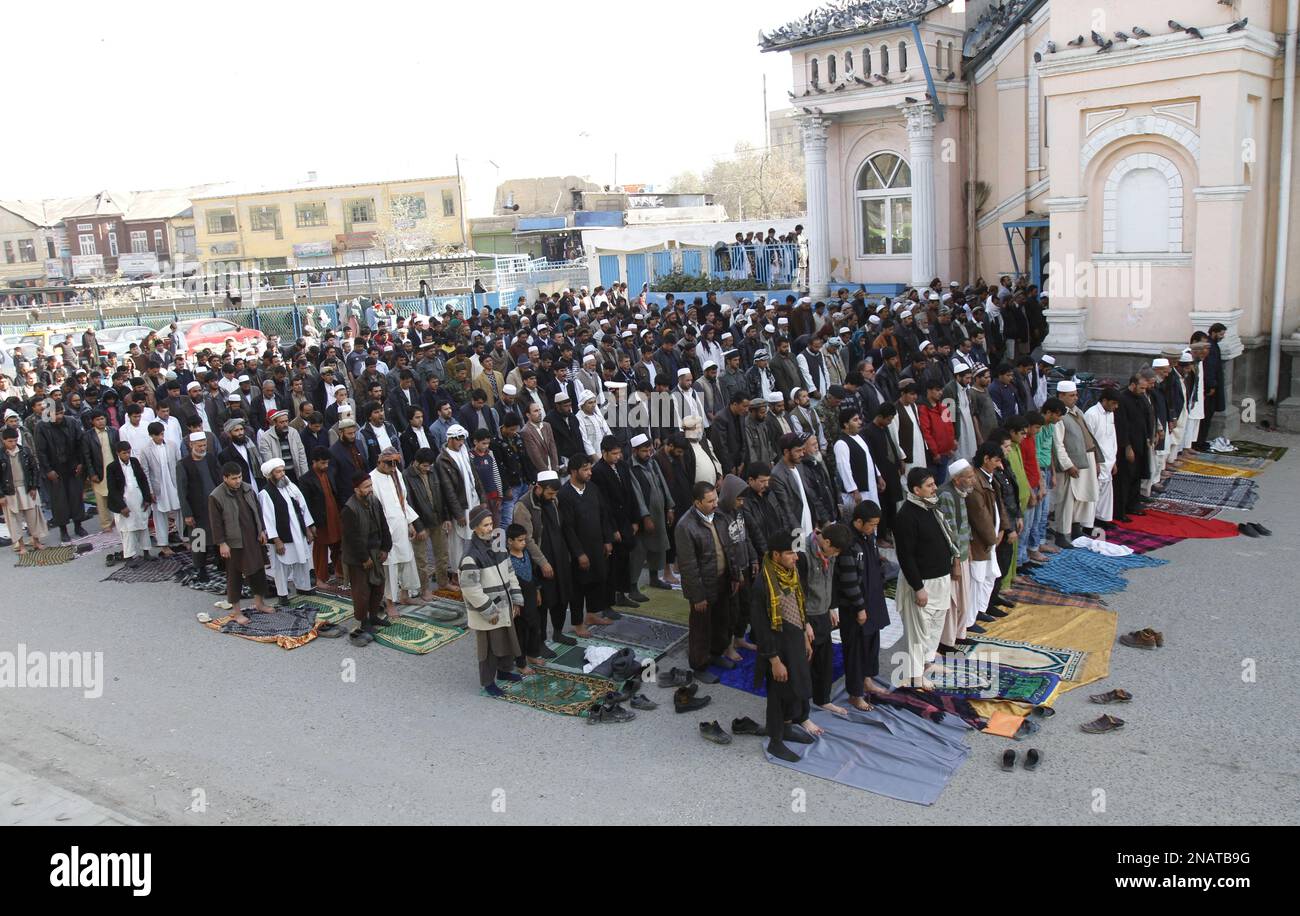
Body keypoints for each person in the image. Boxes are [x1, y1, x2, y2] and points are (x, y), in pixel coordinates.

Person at [750, 529, 815, 762]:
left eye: (795, 552)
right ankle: (776, 741)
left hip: (795, 638)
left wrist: (805, 634)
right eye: (789, 553)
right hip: (777, 646)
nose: (795, 558)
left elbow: (800, 602)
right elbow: (760, 627)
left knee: (794, 689)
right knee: (778, 693)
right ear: (775, 555)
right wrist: (774, 660)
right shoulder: (763, 584)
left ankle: (787, 726)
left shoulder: (792, 572)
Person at [893, 467, 959, 688]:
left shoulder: (930, 507)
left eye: (933, 484)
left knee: (934, 625)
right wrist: (918, 587)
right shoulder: (906, 516)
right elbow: (906, 556)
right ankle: (915, 674)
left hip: (940, 578)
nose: (934, 489)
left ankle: (928, 662)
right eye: (929, 486)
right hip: (922, 583)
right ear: (916, 490)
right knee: (918, 630)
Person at [675, 481, 743, 683]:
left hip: (723, 579)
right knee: (701, 628)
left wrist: (735, 575)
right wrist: (697, 596)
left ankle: (715, 654)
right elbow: (688, 566)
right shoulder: (685, 526)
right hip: (703, 585)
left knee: (722, 621)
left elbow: (730, 547)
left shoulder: (720, 516)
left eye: (716, 498)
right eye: (710, 501)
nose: (715, 503)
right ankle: (699, 664)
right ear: (697, 502)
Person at [461, 505, 524, 697]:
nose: (490, 528)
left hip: (504, 606)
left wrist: (516, 598)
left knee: (507, 640)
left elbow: (510, 571)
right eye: (485, 525)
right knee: (488, 650)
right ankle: (488, 682)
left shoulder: (497, 545)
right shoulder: (470, 556)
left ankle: (504, 672)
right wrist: (489, 610)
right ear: (475, 528)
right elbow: (471, 589)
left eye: (491, 524)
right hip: (489, 611)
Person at [511, 470, 573, 651]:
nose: (553, 497)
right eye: (550, 493)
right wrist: (543, 562)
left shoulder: (553, 499)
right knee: (543, 603)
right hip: (538, 560)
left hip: (559, 555)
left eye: (555, 494)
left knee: (562, 596)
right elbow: (526, 539)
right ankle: (540, 642)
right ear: (538, 488)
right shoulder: (523, 506)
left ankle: (558, 632)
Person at [208, 461, 276, 623]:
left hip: (253, 538)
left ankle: (259, 604)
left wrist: (261, 530)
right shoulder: (216, 496)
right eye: (233, 478)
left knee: (259, 572)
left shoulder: (247, 488)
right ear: (225, 478)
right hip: (233, 542)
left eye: (239, 477)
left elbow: (257, 511)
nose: (237, 481)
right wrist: (222, 543)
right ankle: (237, 612)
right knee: (235, 576)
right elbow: (215, 523)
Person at [558, 453, 614, 638]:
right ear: (574, 472)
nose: (590, 473)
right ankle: (577, 623)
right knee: (578, 587)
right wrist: (579, 553)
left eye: (590, 468)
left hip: (597, 545)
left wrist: (607, 540)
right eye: (585, 469)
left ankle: (591, 614)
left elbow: (604, 515)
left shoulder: (592, 489)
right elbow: (568, 528)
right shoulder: (565, 494)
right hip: (579, 549)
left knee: (596, 580)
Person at [340, 472, 392, 645]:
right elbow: (352, 538)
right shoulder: (349, 509)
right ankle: (364, 621)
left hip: (375, 551)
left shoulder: (374, 501)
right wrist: (364, 558)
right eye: (366, 487)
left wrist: (385, 547)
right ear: (357, 490)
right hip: (358, 557)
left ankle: (374, 616)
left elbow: (383, 524)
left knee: (378, 585)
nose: (370, 489)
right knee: (362, 591)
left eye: (370, 485)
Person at [370, 445, 421, 614]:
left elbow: (403, 501)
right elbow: (377, 509)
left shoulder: (396, 474)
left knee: (407, 560)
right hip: (387, 529)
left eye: (395, 463)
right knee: (390, 566)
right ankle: (390, 602)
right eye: (389, 464)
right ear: (380, 462)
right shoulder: (373, 479)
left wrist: (410, 523)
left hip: (402, 524)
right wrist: (385, 533)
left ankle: (405, 595)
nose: (393, 467)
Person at [1048, 383, 1099, 547]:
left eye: (1076, 394)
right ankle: (1061, 534)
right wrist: (1067, 465)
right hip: (1070, 464)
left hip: (1084, 460)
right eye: (1071, 395)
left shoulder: (1078, 411)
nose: (1076, 398)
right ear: (1061, 396)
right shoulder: (1060, 416)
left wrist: (1096, 459)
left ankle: (1076, 529)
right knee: (1066, 500)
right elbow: (1058, 444)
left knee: (1081, 497)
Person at [258, 457, 316, 602]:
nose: (283, 474)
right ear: (270, 475)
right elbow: (268, 519)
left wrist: (308, 529)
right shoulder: (265, 494)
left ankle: (304, 587)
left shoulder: (291, 487)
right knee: (281, 566)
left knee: (302, 561)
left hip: (299, 531)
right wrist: (277, 540)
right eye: (278, 472)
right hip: (282, 536)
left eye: (283, 470)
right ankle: (282, 594)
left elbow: (303, 508)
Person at [36, 401, 89, 541]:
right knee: (59, 501)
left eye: (61, 413)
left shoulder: (71, 421)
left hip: (72, 466)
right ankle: (63, 530)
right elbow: (41, 451)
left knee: (75, 497)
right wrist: (48, 470)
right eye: (56, 413)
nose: (59, 416)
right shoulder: (42, 426)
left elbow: (80, 443)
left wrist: (80, 463)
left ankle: (78, 525)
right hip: (55, 469)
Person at [435, 424, 484, 572]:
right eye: (458, 440)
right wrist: (458, 513)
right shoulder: (442, 460)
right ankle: (458, 572)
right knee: (457, 542)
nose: (461, 443)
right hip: (460, 507)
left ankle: (474, 567)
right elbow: (448, 490)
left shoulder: (464, 452)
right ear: (450, 439)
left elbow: (474, 477)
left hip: (473, 502)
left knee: (474, 536)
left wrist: (482, 499)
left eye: (463, 439)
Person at [404, 446, 448, 600]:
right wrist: (418, 527)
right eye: (424, 466)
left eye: (429, 465)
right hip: (420, 523)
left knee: (442, 553)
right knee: (421, 559)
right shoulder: (406, 476)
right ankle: (425, 589)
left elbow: (441, 495)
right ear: (416, 462)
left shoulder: (433, 471)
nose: (427, 469)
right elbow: (409, 503)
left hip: (437, 519)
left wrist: (446, 517)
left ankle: (443, 582)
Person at [177, 431, 221, 583]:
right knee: (198, 539)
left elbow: (218, 477)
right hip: (196, 508)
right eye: (199, 446)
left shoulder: (210, 458)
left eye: (204, 445)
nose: (202, 448)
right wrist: (187, 513)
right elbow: (182, 491)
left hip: (214, 505)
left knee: (217, 535)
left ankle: (220, 563)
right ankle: (200, 569)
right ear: (191, 445)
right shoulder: (183, 464)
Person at [0, 427, 48, 553]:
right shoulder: (0, 455)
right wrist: (1, 495)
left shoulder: (25, 451)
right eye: (10, 441)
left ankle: (36, 541)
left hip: (27, 488)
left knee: (33, 516)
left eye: (15, 440)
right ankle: (21, 546)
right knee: (14, 519)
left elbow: (34, 469)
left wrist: (33, 487)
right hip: (9, 491)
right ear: (3, 440)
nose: (13, 444)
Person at [107, 441, 153, 567]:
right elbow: (112, 489)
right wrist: (122, 507)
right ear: (118, 453)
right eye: (124, 453)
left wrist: (147, 498)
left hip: (138, 499)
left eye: (128, 452)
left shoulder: (134, 462)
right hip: (124, 501)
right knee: (128, 530)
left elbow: (143, 480)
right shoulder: (112, 467)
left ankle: (146, 552)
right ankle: (129, 557)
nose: (127, 455)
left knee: (143, 525)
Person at [141, 421, 182, 557]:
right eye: (158, 435)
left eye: (162, 434)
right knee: (159, 515)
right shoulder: (145, 450)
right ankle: (164, 545)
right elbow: (145, 472)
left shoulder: (172, 445)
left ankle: (186, 538)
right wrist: (150, 491)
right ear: (151, 435)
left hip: (173, 483)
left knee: (180, 511)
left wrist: (181, 485)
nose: (161, 437)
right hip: (158, 487)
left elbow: (179, 464)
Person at [1084, 389, 1120, 529]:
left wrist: (1114, 459)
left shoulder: (1110, 414)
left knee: (1105, 491)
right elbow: (1089, 441)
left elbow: (1112, 437)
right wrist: (1095, 461)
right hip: (1097, 460)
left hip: (1109, 459)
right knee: (1093, 491)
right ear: (1104, 400)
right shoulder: (1091, 414)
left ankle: (1101, 519)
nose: (1115, 407)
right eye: (1113, 403)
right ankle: (1088, 524)